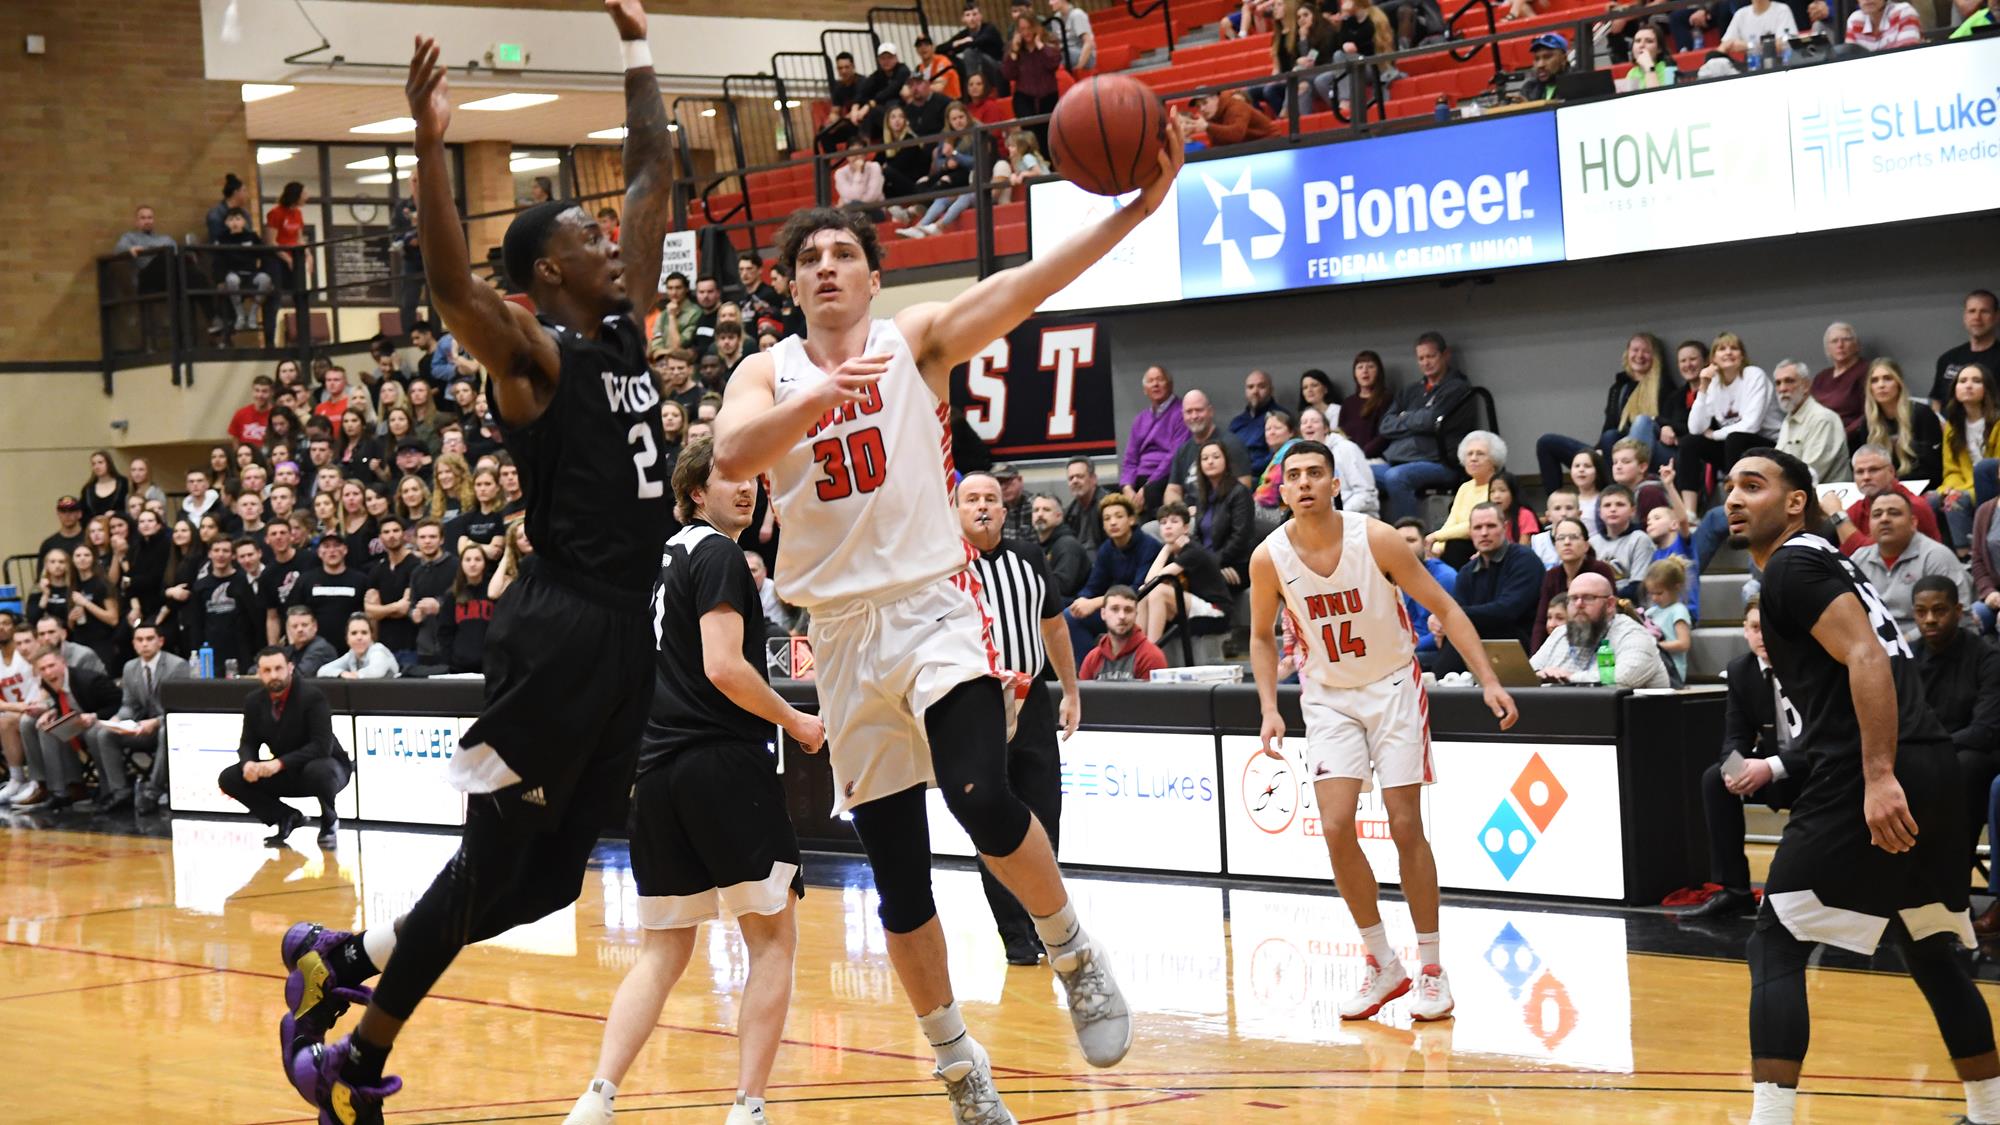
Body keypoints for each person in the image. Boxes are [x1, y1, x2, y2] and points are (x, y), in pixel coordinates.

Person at [710, 127, 1185, 1116]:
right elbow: (733, 457)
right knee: (899, 881)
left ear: (873, 277)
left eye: (842, 253)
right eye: (808, 259)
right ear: (791, 288)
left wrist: (1132, 212)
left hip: (930, 608)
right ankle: (960, 1068)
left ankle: (1071, 952)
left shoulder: (910, 341)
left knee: (978, 793)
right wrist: (810, 407)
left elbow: (1022, 285)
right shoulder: (766, 372)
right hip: (837, 635)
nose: (826, 266)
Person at [278, 14, 677, 1121]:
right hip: (554, 638)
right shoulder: (535, 360)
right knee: (494, 860)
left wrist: (638, 49)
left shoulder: (624, 334)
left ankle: (348, 954)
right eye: (591, 239)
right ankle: (354, 1055)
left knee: (547, 881)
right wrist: (427, 142)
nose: (614, 241)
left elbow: (651, 170)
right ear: (549, 272)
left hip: (621, 633)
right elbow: (454, 286)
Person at [1719, 448, 1996, 1125]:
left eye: (1753, 485)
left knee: (1776, 938)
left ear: (1794, 501)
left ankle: (1771, 1120)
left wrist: (1876, 776)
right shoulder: (1826, 558)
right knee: (1927, 945)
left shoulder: (1792, 564)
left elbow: (1866, 655)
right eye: (1729, 486)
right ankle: (1990, 1111)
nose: (1733, 497)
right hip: (1927, 764)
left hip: (1877, 769)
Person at [562, 440, 821, 1125]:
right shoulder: (719, 556)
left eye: (753, 479)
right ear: (694, 491)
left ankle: (597, 1098)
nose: (747, 488)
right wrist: (797, 720)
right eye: (728, 477)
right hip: (721, 764)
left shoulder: (661, 564)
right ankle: (748, 1107)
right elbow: (726, 668)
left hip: (656, 775)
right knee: (771, 941)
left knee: (662, 950)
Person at [1249, 440, 1519, 1025]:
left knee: (1403, 826)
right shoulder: (1268, 557)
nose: (1303, 484)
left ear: (1334, 483)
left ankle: (1431, 969)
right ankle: (1382, 963)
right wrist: (1270, 706)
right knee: (1338, 827)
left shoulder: (1375, 538)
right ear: (1283, 488)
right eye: (1293, 475)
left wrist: (1488, 681)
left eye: (1315, 473)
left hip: (1394, 686)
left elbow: (1444, 608)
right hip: (1325, 696)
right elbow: (1263, 636)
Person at [957, 473, 1083, 966]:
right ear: (956, 511)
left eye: (991, 499)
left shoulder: (1029, 558)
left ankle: (1044, 921)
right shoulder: (943, 568)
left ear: (1005, 512)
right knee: (993, 822)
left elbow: (1053, 626)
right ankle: (1013, 933)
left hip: (1032, 702)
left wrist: (1071, 690)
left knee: (1045, 817)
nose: (983, 506)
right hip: (974, 706)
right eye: (972, 500)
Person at [1681, 598, 1811, 919]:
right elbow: (1735, 735)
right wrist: (1733, 770)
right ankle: (1734, 890)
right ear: (1744, 631)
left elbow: (1827, 739)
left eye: (1769, 628)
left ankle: (1806, 887)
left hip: (1819, 765)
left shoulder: (1811, 665)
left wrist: (1770, 767)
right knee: (1715, 778)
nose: (1762, 636)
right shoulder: (1741, 669)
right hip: (1772, 765)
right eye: (1755, 628)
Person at [1909, 574, 2000, 867]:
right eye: (1922, 612)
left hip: (1975, 755)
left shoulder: (1986, 658)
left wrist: (1935, 748)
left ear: (1958, 612)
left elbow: (1985, 731)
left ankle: (1954, 874)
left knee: (1966, 766)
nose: (1931, 619)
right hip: (1926, 751)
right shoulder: (1908, 659)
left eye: (1940, 610)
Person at [219, 646, 352, 846]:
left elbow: (321, 746)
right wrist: (248, 763)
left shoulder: (312, 697)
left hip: (330, 769)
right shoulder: (254, 701)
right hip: (288, 771)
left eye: (278, 668)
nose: (274, 675)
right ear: (259, 673)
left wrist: (278, 763)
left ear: (290, 668)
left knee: (319, 769)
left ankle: (329, 820)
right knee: (229, 777)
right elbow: (248, 742)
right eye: (267, 670)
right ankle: (285, 816)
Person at [1535, 332, 1679, 489]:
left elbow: (1668, 426)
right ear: (1627, 354)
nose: (1639, 355)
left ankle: (1623, 490)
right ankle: (1556, 501)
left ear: (1655, 357)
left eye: (1646, 351)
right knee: (1547, 442)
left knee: (1642, 421)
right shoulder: (1619, 388)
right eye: (1635, 350)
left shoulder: (1664, 386)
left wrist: (1662, 425)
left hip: (1649, 456)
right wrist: (1598, 451)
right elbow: (1609, 427)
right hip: (1614, 457)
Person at [1430, 504, 1543, 674]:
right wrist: (1443, 622)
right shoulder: (1467, 571)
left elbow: (1507, 611)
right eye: (1477, 527)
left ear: (1504, 528)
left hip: (1518, 645)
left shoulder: (1525, 560)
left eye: (1490, 526)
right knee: (1441, 671)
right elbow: (1459, 616)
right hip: (1477, 643)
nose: (1484, 533)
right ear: (1470, 532)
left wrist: (1448, 614)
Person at [1375, 332, 1475, 522]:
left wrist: (1405, 418)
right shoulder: (1411, 390)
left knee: (1396, 478)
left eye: (1431, 356)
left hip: (1440, 462)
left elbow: (1432, 420)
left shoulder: (1457, 388)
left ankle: (1408, 536)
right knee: (1358, 473)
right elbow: (1386, 425)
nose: (1426, 362)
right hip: (1399, 459)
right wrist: (1416, 420)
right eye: (1421, 358)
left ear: (1445, 355)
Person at [1674, 333, 1778, 512]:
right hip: (1735, 449)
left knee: (1734, 438)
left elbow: (1751, 425)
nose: (1728, 352)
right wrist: (1704, 387)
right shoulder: (1714, 383)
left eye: (1734, 348)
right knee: (1689, 443)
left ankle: (1734, 505)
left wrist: (1714, 434)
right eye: (1722, 349)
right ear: (1713, 358)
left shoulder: (1753, 375)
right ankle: (1689, 512)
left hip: (1769, 445)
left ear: (1742, 355)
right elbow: (1695, 428)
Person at [1850, 491, 1971, 644]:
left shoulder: (1936, 556)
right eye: (1877, 515)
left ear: (1913, 522)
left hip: (1928, 646)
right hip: (1873, 646)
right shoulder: (1858, 558)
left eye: (1894, 513)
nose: (1884, 519)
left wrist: (1902, 643)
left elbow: (1960, 614)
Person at [14, 647, 123, 811]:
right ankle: (60, 791)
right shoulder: (48, 681)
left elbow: (119, 704)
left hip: (103, 722)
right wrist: (52, 711)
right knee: (47, 728)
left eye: (51, 666)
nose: (48, 672)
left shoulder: (90, 681)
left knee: (94, 733)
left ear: (63, 663)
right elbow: (63, 701)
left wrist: (95, 715)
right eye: (43, 669)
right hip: (78, 722)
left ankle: (109, 789)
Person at [1528, 571, 1671, 687]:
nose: (1578, 604)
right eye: (1573, 598)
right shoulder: (1560, 633)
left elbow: (1622, 680)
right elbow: (1526, 672)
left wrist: (1569, 677)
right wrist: (1539, 676)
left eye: (1588, 598)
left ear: (1609, 604)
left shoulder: (1635, 635)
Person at [1066, 493, 1163, 656]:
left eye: (1119, 516)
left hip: (1141, 607)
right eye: (1107, 518)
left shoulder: (1149, 546)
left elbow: (1138, 590)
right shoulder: (1107, 548)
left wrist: (1095, 603)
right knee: (1070, 615)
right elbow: (1093, 585)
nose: (1112, 522)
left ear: (1131, 520)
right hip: (1114, 605)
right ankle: (1090, 672)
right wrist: (1082, 600)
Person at [1135, 501, 1235, 644]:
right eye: (1163, 523)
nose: (1168, 526)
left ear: (1186, 528)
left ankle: (1151, 652)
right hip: (1190, 607)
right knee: (1143, 593)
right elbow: (1147, 585)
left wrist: (1167, 548)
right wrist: (1167, 549)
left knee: (1158, 591)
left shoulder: (1192, 551)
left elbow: (1153, 582)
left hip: (1216, 612)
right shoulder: (1171, 552)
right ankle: (1138, 647)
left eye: (1174, 521)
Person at [1531, 517, 1617, 652]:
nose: (1567, 542)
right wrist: (1535, 659)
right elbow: (1541, 621)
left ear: (1586, 545)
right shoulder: (1551, 575)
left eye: (1573, 537)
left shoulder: (1600, 570)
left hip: (1598, 644)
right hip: (1559, 644)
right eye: (1561, 538)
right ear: (1554, 545)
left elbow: (1609, 616)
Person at [1938, 364, 2000, 550]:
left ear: (1986, 388)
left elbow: (1994, 469)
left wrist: (1960, 492)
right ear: (1955, 388)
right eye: (1963, 381)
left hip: (1992, 486)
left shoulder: (1998, 422)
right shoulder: (1952, 426)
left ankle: (1969, 555)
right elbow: (1951, 469)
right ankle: (1953, 555)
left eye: (1976, 381)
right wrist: (1949, 488)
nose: (1968, 385)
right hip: (1965, 486)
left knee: (1956, 501)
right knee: (1933, 500)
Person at [1860, 358, 1943, 488]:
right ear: (1870, 388)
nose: (1881, 385)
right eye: (1874, 380)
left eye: (1887, 378)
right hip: (1883, 489)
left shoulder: (1922, 413)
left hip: (1923, 487)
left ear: (1899, 383)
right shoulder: (1868, 422)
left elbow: (1934, 468)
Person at [1428, 431, 1505, 568]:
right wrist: (1438, 547)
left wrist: (1436, 536)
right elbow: (1451, 521)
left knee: (1456, 546)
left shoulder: (1498, 487)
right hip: (1455, 545)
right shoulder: (1465, 487)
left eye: (1480, 454)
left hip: (1482, 543)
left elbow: (1475, 524)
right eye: (1469, 454)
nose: (1473, 458)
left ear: (1494, 459)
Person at [1120, 366, 1191, 513]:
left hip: (1165, 477)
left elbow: (1175, 455)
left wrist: (1148, 486)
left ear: (1170, 384)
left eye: (1160, 380)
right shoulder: (1140, 419)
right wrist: (1127, 487)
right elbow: (1130, 459)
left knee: (1151, 497)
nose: (1155, 384)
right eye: (1150, 381)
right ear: (1145, 390)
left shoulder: (1182, 413)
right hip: (1140, 479)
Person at [187, 537, 263, 674]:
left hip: (241, 652)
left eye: (225, 551)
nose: (220, 555)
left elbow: (255, 619)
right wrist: (196, 651)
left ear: (233, 555)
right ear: (210, 554)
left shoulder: (244, 581)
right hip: (210, 653)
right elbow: (196, 623)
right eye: (216, 550)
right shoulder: (200, 586)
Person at [1772, 359, 1849, 488]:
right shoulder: (1788, 420)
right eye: (1778, 383)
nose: (1782, 388)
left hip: (1827, 498)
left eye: (1789, 381)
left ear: (1806, 385)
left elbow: (1808, 474)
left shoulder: (1822, 419)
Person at [1393, 519, 1457, 671]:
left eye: (1411, 540)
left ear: (1425, 544)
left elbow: (1446, 631)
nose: (1405, 546)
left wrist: (1405, 649)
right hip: (1402, 650)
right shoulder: (1389, 577)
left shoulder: (1445, 577)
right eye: (1399, 541)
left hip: (1432, 652)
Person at [1077, 586, 1167, 681]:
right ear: (1103, 613)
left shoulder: (1151, 656)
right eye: (1115, 609)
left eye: (1128, 610)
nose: (1122, 616)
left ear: (1136, 614)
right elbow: (1082, 695)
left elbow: (1155, 696)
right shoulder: (1092, 658)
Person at [1934, 290, 1999, 411]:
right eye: (1972, 311)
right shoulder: (1947, 359)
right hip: (1950, 428)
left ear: (1996, 316)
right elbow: (1937, 400)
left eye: (1984, 311)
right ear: (1965, 317)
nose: (1977, 317)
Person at [1589, 484, 1655, 593]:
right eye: (1607, 505)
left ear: (1632, 511)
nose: (1613, 509)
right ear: (1599, 512)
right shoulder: (1592, 542)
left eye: (1620, 504)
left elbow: (1639, 586)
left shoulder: (1639, 539)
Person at [1812, 323, 1870, 439]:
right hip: (1818, 436)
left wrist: (1842, 435)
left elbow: (1869, 413)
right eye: (1834, 341)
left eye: (1846, 340)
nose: (1840, 345)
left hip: (1850, 438)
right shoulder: (1821, 377)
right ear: (1827, 349)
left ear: (1856, 345)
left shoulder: (1867, 371)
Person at [1644, 556, 1694, 684]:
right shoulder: (1651, 612)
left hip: (1672, 672)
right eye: (1651, 593)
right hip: (1655, 667)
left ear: (1676, 588)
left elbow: (1683, 644)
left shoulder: (1678, 610)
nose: (1654, 598)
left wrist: (1657, 646)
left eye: (1659, 593)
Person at [1033, 493, 1091, 599]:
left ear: (1059, 516)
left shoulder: (1068, 545)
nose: (1040, 514)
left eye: (1046, 510)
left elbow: (1063, 587)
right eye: (1036, 510)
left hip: (1070, 608)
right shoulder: (1036, 546)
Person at [1338, 352, 1392, 460]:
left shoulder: (1386, 400)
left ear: (1378, 371)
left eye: (1370, 366)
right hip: (1349, 458)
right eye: (1360, 367)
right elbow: (1341, 434)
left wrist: (1362, 454)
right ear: (1355, 373)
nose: (1365, 371)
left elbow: (1386, 435)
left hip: (1375, 458)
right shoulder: (1348, 403)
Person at [320, 613, 399, 680]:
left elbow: (377, 671)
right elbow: (322, 671)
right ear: (347, 638)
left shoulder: (378, 650)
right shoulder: (351, 655)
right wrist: (341, 673)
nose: (359, 637)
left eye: (364, 632)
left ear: (371, 636)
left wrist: (355, 675)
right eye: (354, 633)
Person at [1231, 369, 1279, 474]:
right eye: (1250, 387)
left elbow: (1277, 455)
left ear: (1271, 390)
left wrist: (1245, 470)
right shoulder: (1236, 422)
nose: (1255, 391)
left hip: (1263, 476)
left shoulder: (1279, 418)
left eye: (1261, 386)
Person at [1063, 457, 1114, 551]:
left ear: (1093, 479)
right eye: (1071, 478)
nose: (1074, 481)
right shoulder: (1069, 512)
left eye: (1080, 476)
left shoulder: (1109, 506)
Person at [1718, 0, 1798, 54]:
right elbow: (1725, 45)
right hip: (1749, 68)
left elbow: (1782, 45)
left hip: (1780, 66)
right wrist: (1766, 46)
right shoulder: (1740, 14)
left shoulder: (1782, 10)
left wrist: (1748, 46)